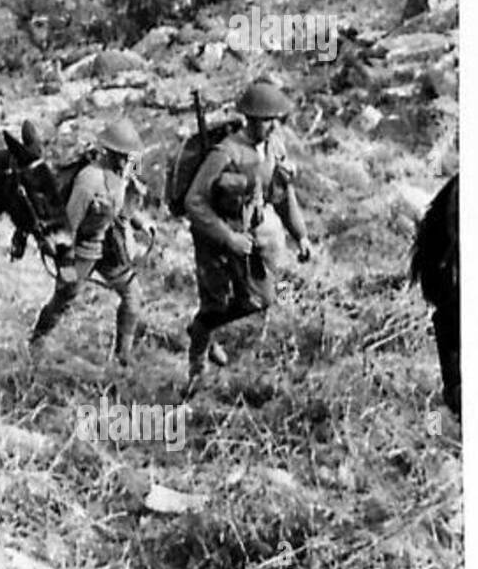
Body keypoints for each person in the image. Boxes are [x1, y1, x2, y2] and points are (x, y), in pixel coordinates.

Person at [183, 79, 312, 392]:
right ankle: (197, 363)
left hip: (250, 236)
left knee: (260, 299)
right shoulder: (225, 153)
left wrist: (301, 235)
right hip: (215, 239)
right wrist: (228, 238)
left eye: (275, 121)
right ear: (252, 120)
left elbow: (281, 195)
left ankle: (201, 328)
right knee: (215, 304)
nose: (273, 127)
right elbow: (194, 201)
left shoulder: (273, 148)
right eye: (268, 121)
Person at [29, 118, 155, 367]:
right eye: (123, 156)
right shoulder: (89, 179)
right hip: (82, 249)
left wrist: (141, 222)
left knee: (133, 295)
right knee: (64, 298)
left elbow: (122, 205)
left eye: (129, 157)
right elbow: (70, 224)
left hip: (110, 244)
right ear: (110, 153)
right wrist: (65, 262)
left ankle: (124, 355)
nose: (127, 162)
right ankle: (37, 342)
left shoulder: (125, 171)